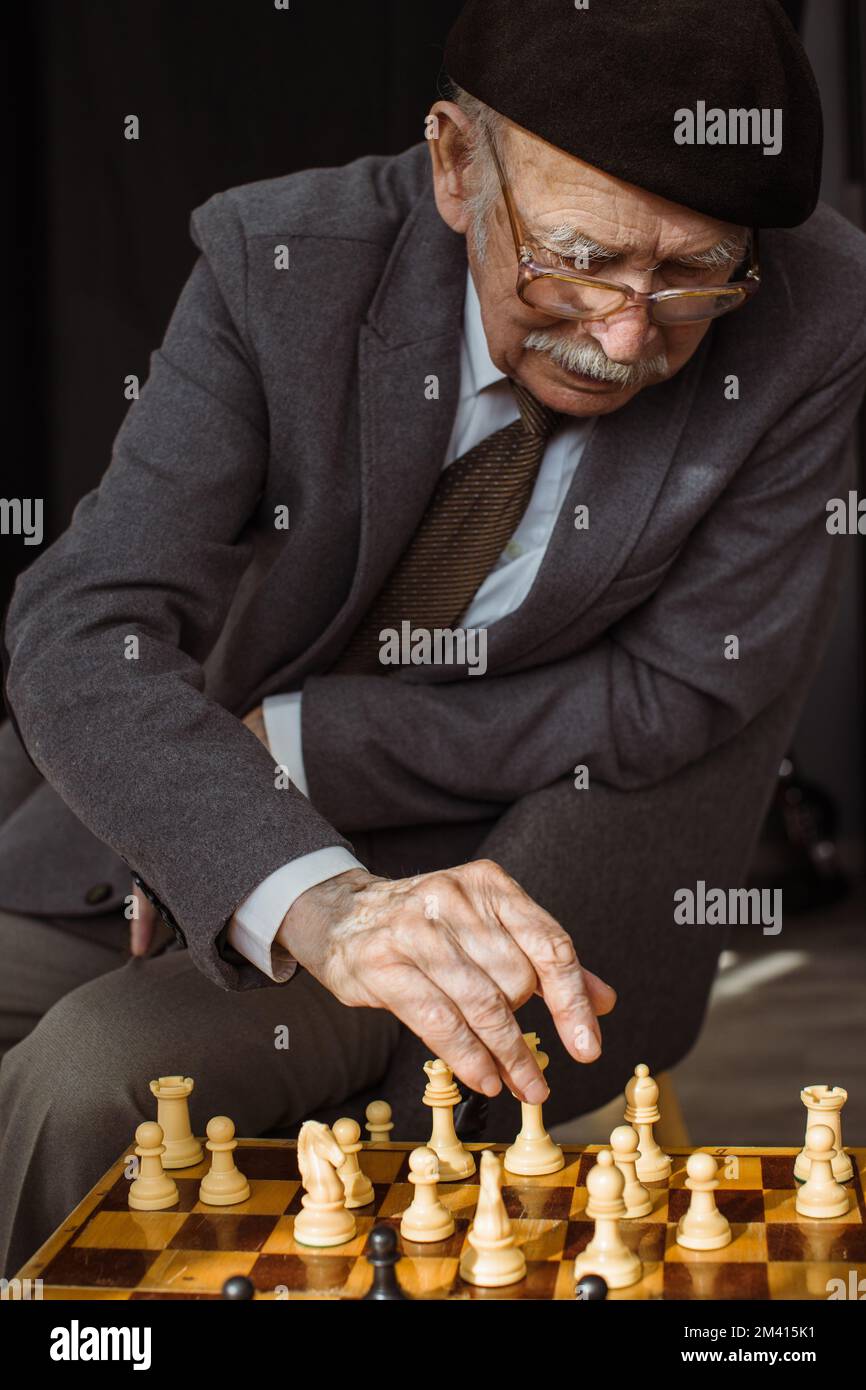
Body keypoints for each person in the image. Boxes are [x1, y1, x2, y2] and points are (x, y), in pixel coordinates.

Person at [1, 0, 864, 1277]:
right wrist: (308, 885)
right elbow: (86, 622)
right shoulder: (279, 259)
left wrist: (307, 743)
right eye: (577, 257)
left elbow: (683, 685)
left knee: (92, 1080)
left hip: (529, 864)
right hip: (214, 833)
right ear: (457, 165)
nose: (626, 337)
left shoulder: (814, 313)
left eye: (690, 275)